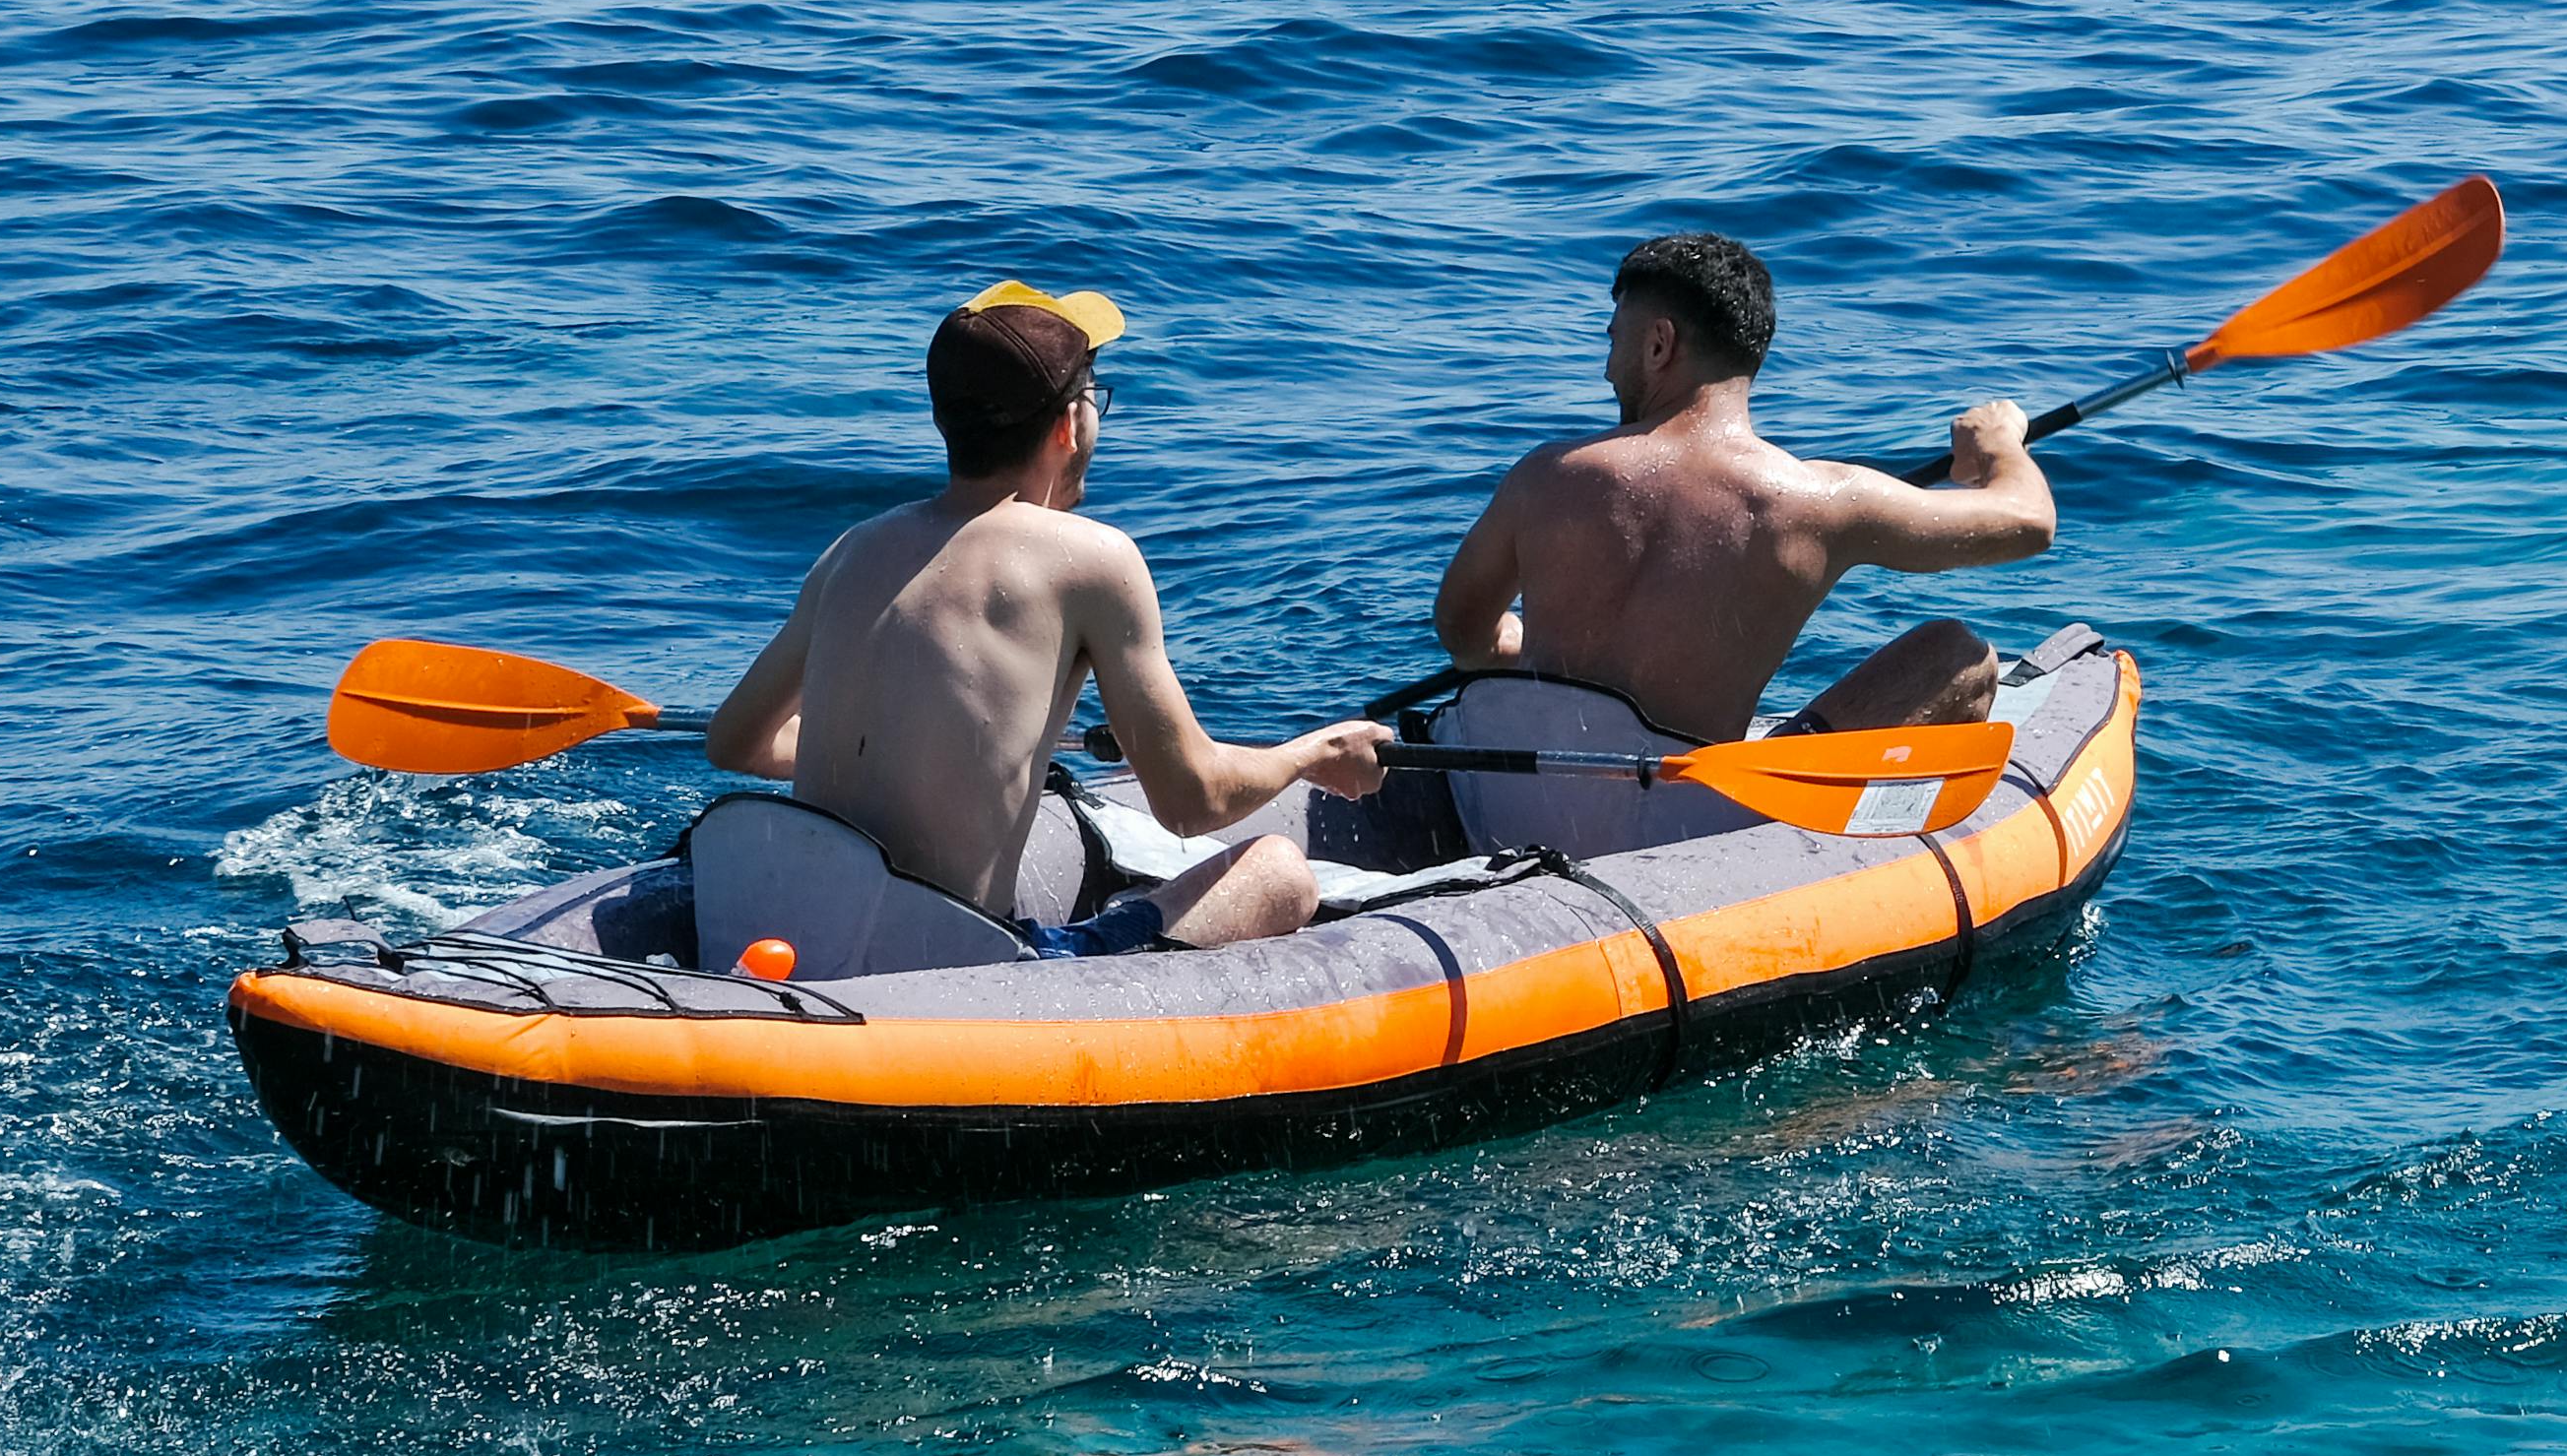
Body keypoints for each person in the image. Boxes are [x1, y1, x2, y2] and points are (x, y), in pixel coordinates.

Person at [701, 283, 1390, 954]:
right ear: (1067, 425)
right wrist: (1313, 756)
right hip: (947, 974)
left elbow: (734, 742)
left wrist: (908, 761)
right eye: (1094, 396)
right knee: (1279, 871)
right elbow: (1191, 800)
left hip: (795, 930)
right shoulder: (1090, 558)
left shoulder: (852, 551)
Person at [1422, 232, 2052, 851]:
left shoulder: (1546, 474)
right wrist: (1998, 443)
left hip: (1502, 804)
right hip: (1670, 838)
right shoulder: (1817, 502)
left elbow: (1464, 632)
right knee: (1959, 654)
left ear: (1659, 344)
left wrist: (1531, 649)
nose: (1607, 369)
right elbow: (2029, 521)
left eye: (1613, 342)